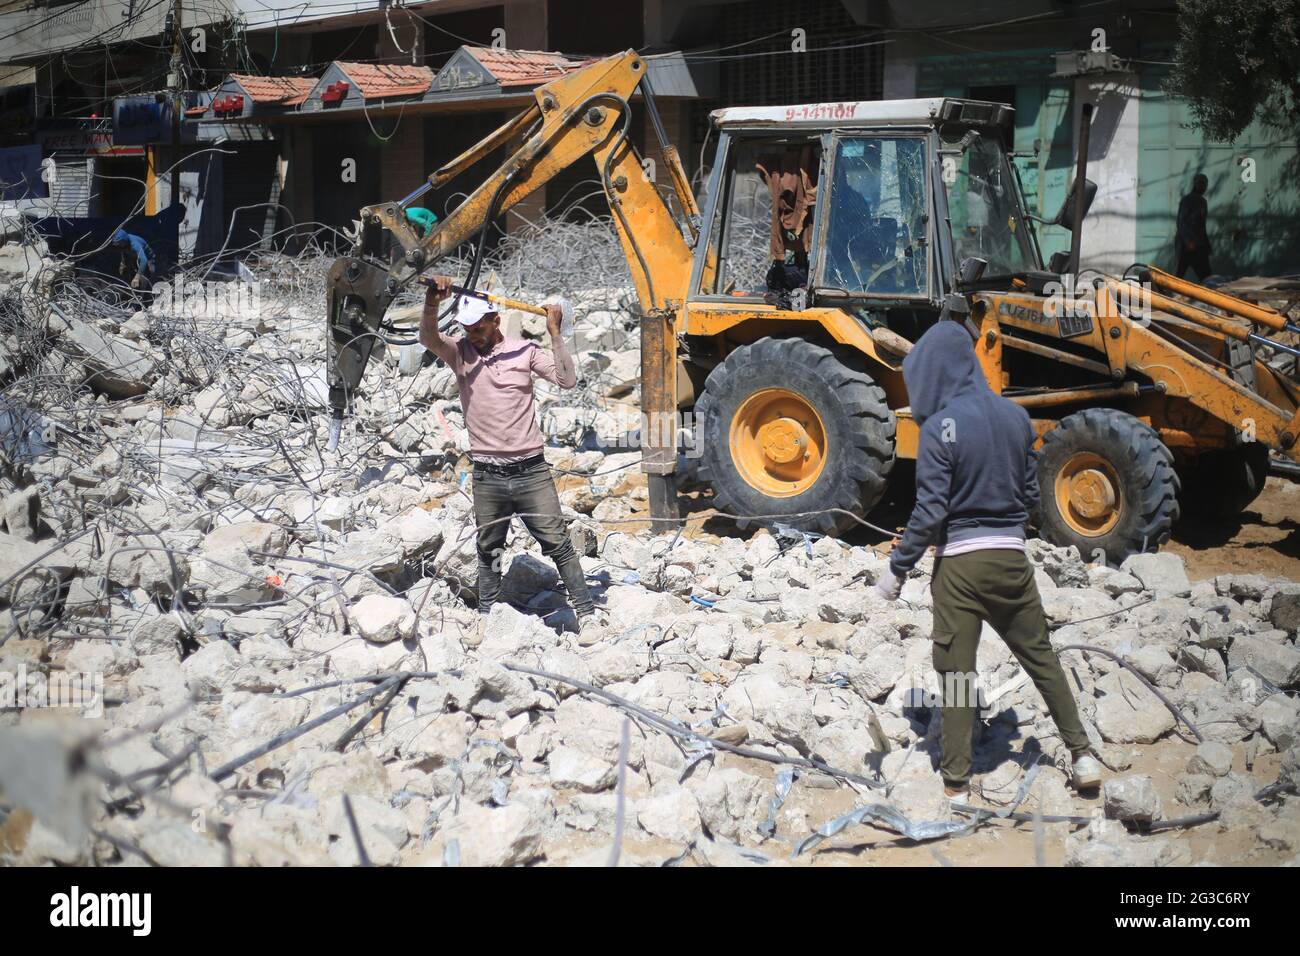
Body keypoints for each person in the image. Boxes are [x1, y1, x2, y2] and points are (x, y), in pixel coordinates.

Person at [873, 321, 1101, 799]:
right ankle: (1081, 754)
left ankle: (956, 785)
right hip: (1013, 561)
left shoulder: (939, 428)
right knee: (1041, 658)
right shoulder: (1016, 417)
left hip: (960, 568)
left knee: (957, 676)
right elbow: (1031, 494)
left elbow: (931, 510)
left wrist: (898, 568)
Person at [420, 275, 599, 639]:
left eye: (479, 328)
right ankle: (490, 613)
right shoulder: (461, 354)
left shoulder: (525, 352)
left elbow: (567, 380)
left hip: (531, 471)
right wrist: (432, 303)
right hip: (487, 474)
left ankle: (586, 612)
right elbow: (428, 338)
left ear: (496, 321)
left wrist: (555, 333)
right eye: (468, 329)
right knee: (489, 547)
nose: (474, 335)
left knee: (558, 543)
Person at [1175, 173, 1212, 281]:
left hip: (1199, 245)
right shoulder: (1187, 200)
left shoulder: (1203, 202)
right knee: (1179, 275)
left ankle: (1209, 297)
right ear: (1195, 184)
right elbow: (1181, 222)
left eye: (1204, 184)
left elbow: (1202, 226)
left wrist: (1207, 245)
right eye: (1200, 183)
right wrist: (1188, 241)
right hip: (1186, 247)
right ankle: (1166, 296)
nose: (1203, 186)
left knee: (1207, 276)